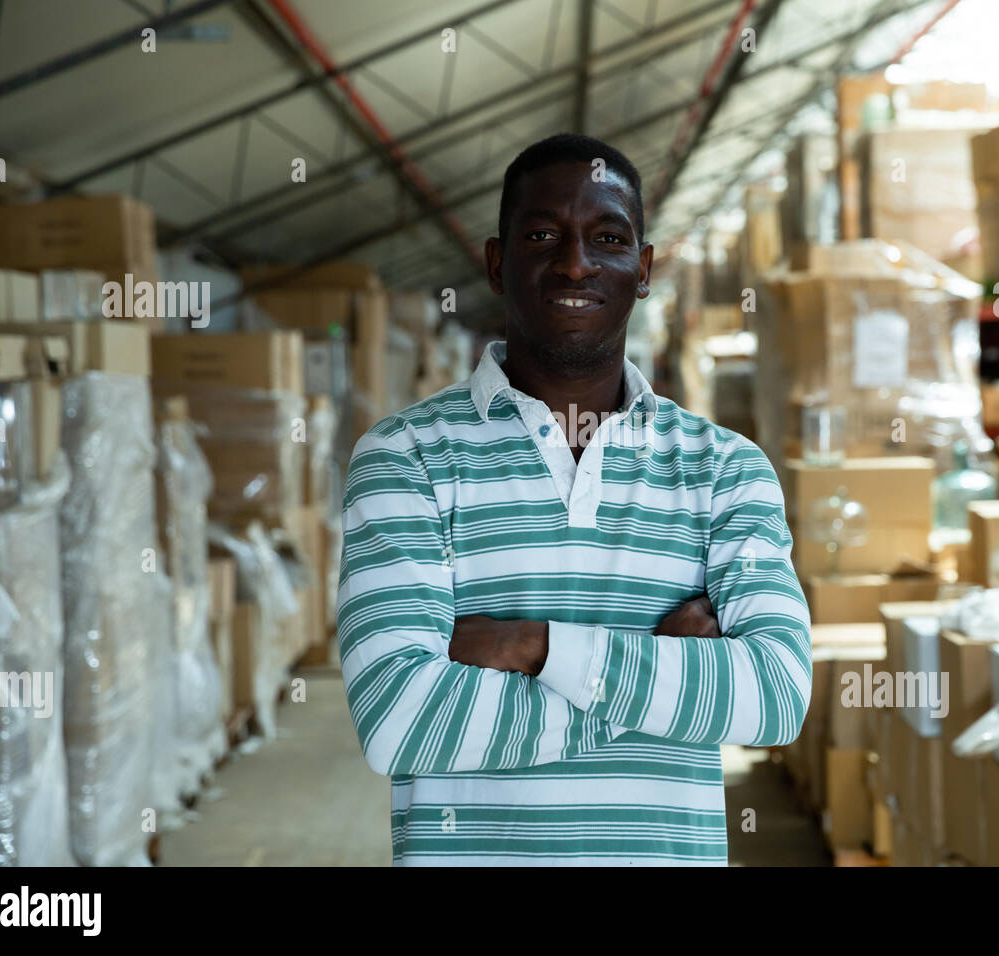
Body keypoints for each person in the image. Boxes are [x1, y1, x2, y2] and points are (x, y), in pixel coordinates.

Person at [337, 133, 811, 866]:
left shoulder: (726, 470)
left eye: (608, 238)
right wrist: (655, 677)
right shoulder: (406, 457)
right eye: (542, 234)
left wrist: (533, 645)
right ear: (498, 263)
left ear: (643, 269)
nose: (575, 263)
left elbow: (775, 696)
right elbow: (401, 721)